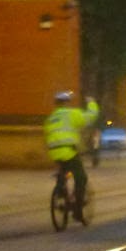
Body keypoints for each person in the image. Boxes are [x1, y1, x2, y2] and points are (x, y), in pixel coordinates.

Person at [44, 90, 101, 220]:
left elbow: (47, 135)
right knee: (81, 177)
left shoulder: (50, 118)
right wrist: (91, 103)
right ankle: (77, 210)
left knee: (63, 171)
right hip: (68, 151)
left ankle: (60, 188)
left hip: (54, 152)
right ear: (66, 103)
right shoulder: (70, 114)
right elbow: (90, 117)